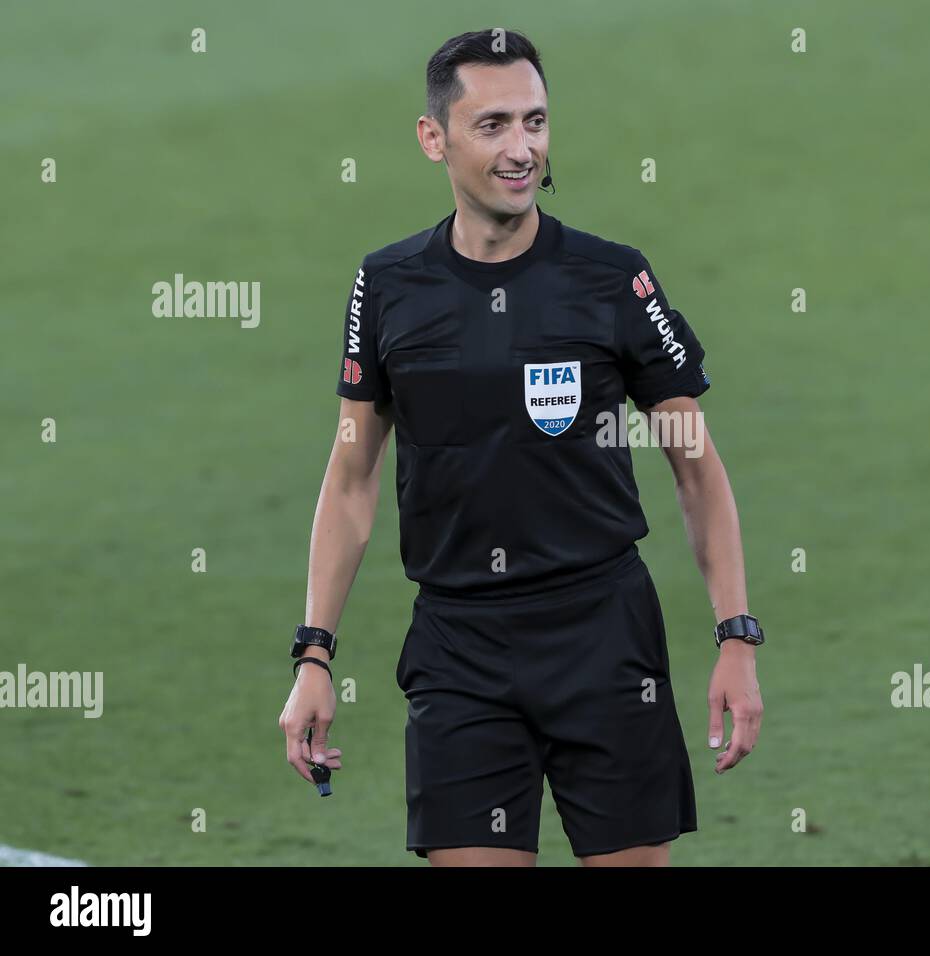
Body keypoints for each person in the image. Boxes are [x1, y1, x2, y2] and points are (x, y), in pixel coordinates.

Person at [277, 28, 764, 867]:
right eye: (494, 124)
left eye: (535, 122)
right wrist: (314, 653)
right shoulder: (388, 285)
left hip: (605, 636)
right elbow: (351, 478)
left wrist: (735, 635)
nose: (522, 149)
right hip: (459, 647)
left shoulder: (611, 280)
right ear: (435, 138)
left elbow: (696, 466)